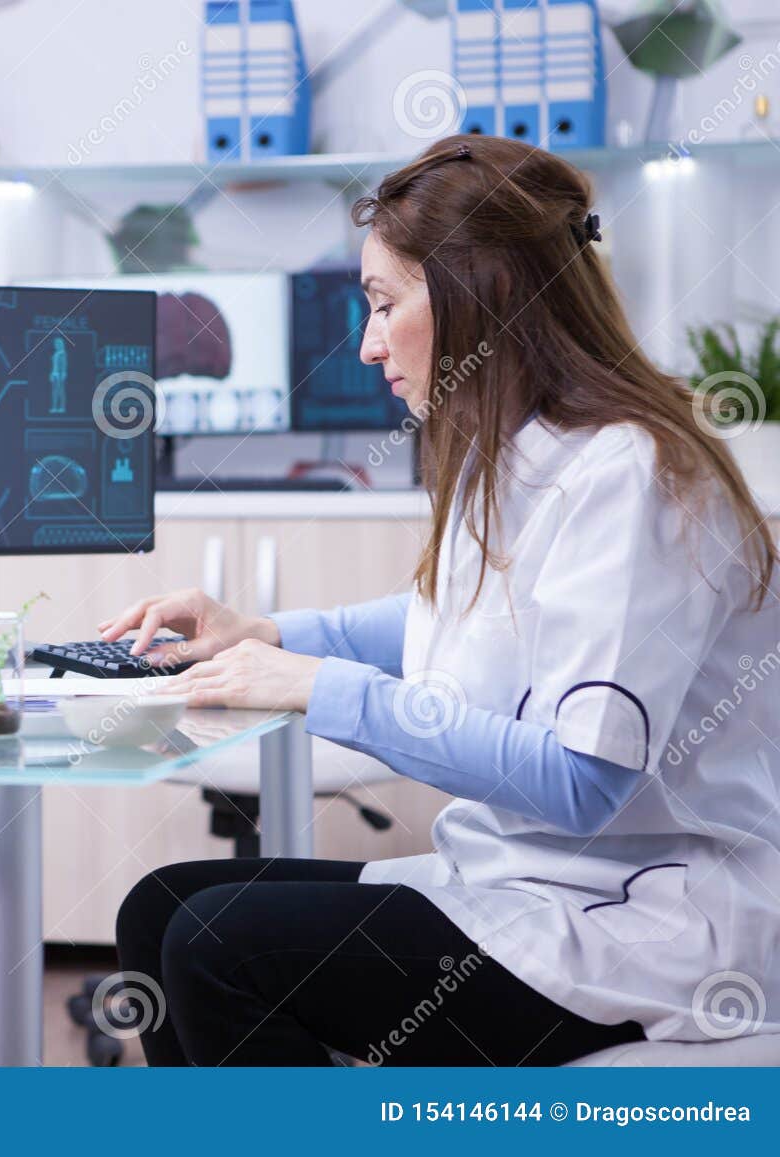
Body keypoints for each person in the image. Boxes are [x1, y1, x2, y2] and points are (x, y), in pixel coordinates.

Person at [105, 135, 780, 1066]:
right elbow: (446, 617)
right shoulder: (510, 450)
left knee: (219, 944)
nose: (367, 341)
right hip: (529, 883)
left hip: (644, 922)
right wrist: (261, 632)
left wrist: (321, 686)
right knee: (162, 907)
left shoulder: (633, 475)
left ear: (488, 295)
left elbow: (584, 785)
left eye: (385, 304)